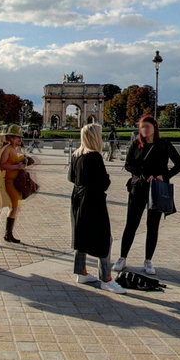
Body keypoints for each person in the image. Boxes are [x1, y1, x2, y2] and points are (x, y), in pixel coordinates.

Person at [113, 114, 180, 277]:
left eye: (147, 126)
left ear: (154, 128)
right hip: (138, 187)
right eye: (142, 127)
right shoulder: (136, 144)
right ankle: (122, 257)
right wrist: (144, 176)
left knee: (153, 226)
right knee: (131, 223)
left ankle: (148, 260)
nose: (144, 129)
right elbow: (128, 164)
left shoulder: (164, 145)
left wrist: (164, 176)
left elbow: (179, 165)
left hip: (157, 188)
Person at [69, 124, 126, 291]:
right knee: (104, 238)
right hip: (93, 200)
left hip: (77, 198)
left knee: (80, 235)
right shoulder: (95, 157)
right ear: (95, 137)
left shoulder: (76, 155)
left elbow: (71, 177)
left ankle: (81, 271)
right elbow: (104, 183)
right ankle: (106, 278)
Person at [0, 125, 34, 246]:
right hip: (2, 181)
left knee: (14, 207)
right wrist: (17, 166)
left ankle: (8, 234)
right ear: (10, 138)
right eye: (17, 137)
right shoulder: (6, 149)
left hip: (13, 181)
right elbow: (1, 166)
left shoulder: (17, 149)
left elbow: (17, 161)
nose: (20, 140)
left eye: (21, 137)